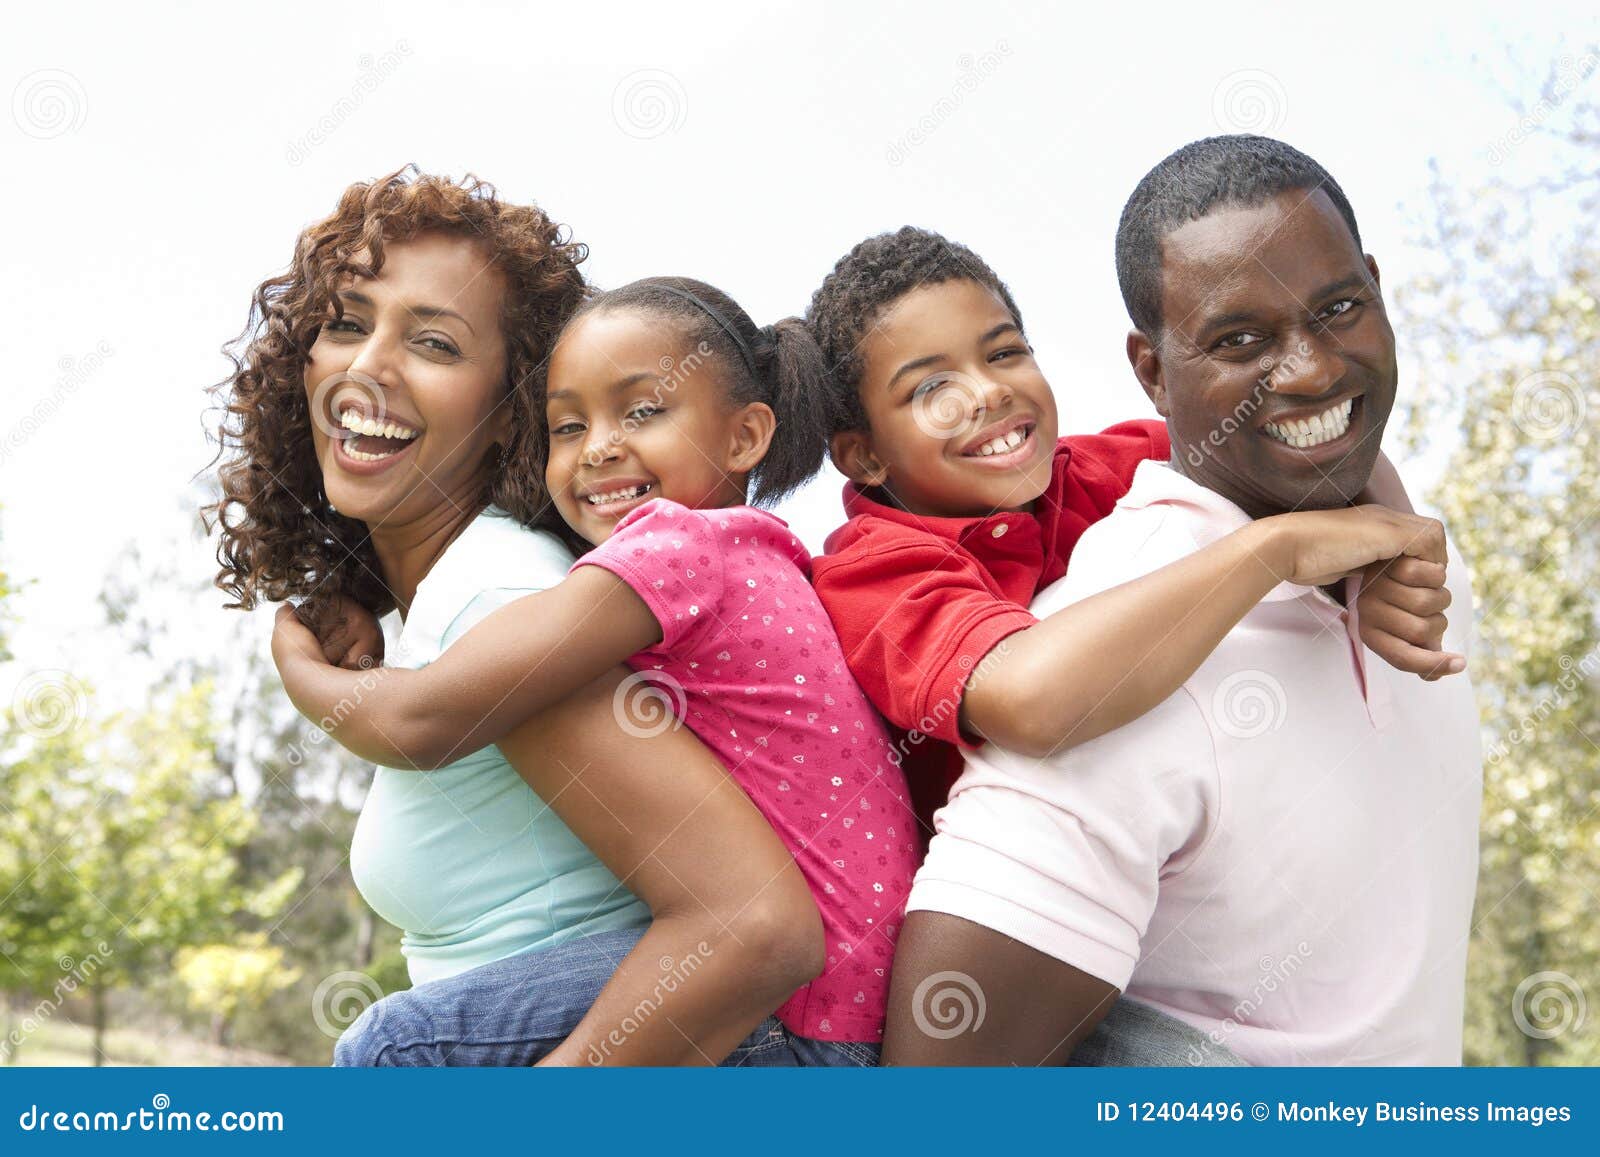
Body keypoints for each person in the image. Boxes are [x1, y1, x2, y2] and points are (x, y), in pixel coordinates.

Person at [883, 135, 1482, 1066]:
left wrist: (1386, 531)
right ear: (1154, 371)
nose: (1312, 370)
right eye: (1239, 341)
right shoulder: (1132, 648)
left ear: (1375, 285)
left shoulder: (1410, 560)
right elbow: (940, 1070)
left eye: (1337, 308)